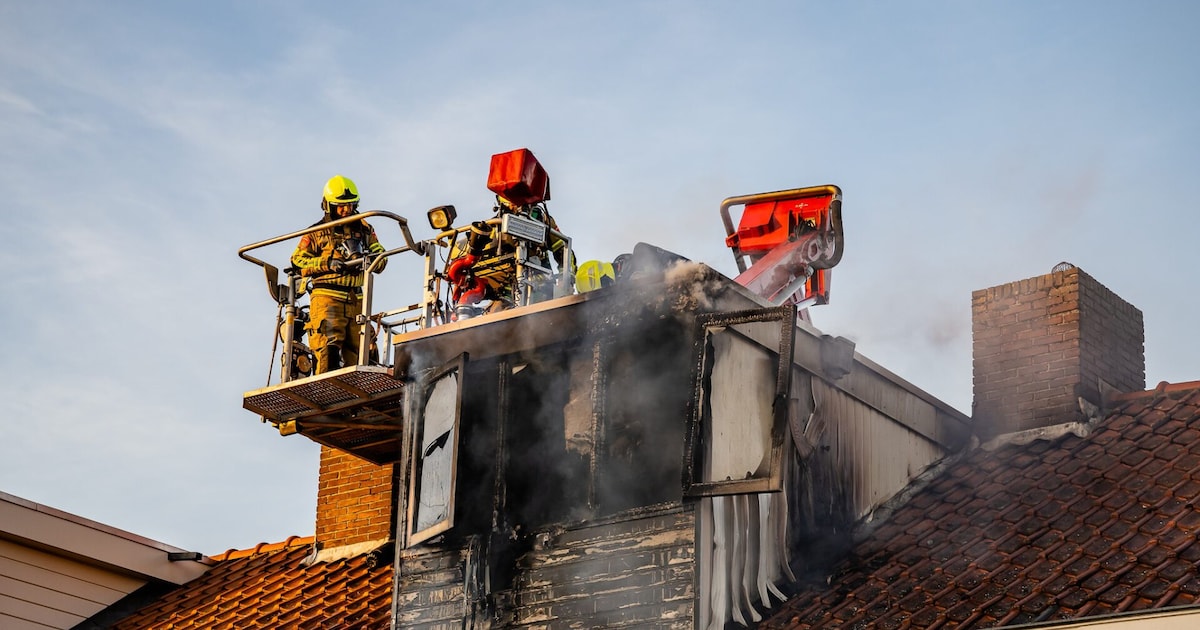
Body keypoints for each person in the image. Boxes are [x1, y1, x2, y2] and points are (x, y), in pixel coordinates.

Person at [291, 175, 387, 373]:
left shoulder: (365, 229)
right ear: (328, 206)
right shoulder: (316, 232)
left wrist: (369, 257)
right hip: (327, 299)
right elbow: (297, 260)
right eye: (341, 206)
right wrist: (326, 263)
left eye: (351, 205)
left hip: (356, 298)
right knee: (328, 350)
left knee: (360, 353)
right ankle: (326, 393)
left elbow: (382, 257)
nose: (346, 210)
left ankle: (356, 396)